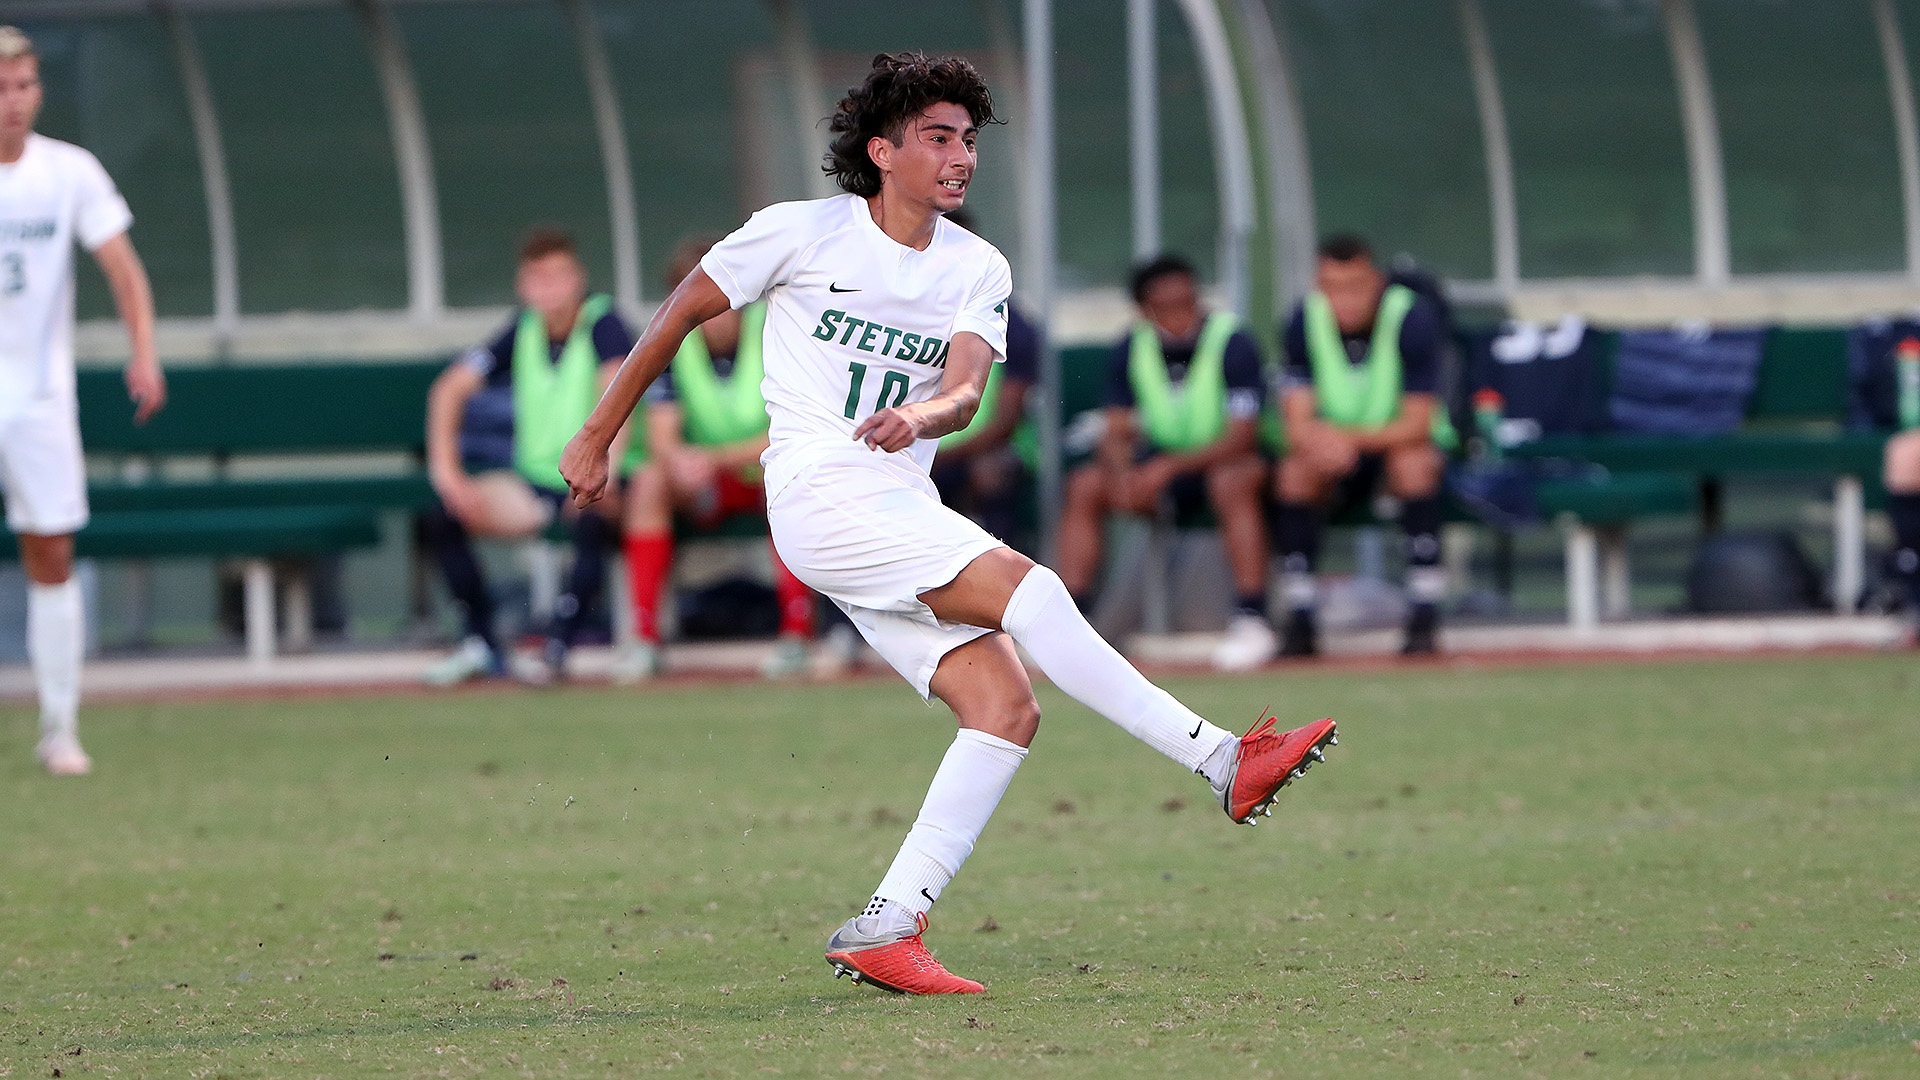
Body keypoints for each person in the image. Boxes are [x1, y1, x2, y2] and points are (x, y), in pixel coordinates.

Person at [559, 52, 1337, 996]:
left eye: (968, 140)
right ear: (883, 151)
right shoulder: (801, 233)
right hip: (816, 492)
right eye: (938, 138)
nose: (961, 156)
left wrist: (921, 417)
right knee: (1031, 589)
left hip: (896, 502)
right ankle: (1222, 759)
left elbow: (967, 389)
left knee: (1005, 710)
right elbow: (680, 311)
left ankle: (888, 924)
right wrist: (599, 434)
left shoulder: (978, 265)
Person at [0, 27, 165, 776]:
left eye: (24, 85)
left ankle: (59, 727)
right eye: (2, 88)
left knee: (52, 550)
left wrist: (144, 351)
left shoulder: (69, 172)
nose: (13, 102)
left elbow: (124, 269)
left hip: (37, 397)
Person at [421, 228, 632, 685]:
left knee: (594, 520)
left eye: (559, 275)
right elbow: (448, 389)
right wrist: (447, 473)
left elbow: (619, 389)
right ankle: (481, 642)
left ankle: (558, 647)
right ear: (523, 285)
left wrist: (603, 468)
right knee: (445, 515)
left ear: (579, 278)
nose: (549, 288)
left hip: (596, 477)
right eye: (538, 278)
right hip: (536, 481)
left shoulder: (604, 323)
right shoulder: (522, 328)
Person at [1055, 254, 1277, 671]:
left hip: (1220, 462)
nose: (1182, 315)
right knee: (1086, 484)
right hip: (1159, 470)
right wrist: (1122, 471)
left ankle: (1252, 616)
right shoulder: (1131, 345)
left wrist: (1170, 466)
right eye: (1167, 306)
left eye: (1189, 302)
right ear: (1144, 310)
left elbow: (1242, 435)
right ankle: (1075, 622)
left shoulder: (1233, 341)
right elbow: (1117, 428)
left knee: (1233, 483)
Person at [614, 236, 818, 683]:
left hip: (768, 472)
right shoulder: (671, 339)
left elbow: (791, 428)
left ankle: (797, 634)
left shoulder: (778, 329)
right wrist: (680, 461)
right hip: (709, 480)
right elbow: (663, 433)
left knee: (791, 479)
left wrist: (713, 459)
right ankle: (644, 639)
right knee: (649, 483)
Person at [1274, 234, 1449, 657]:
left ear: (1376, 281)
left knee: (1416, 464)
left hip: (1392, 448)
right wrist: (1321, 445)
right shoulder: (1303, 320)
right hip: (1332, 455)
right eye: (1332, 288)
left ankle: (1424, 613)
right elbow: (1296, 419)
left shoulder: (1411, 318)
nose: (1344, 299)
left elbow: (1418, 422)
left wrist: (1345, 439)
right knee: (1294, 473)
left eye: (1355, 286)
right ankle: (1300, 615)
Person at [929, 208, 1040, 550]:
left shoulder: (1011, 322)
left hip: (977, 448)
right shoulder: (892, 309)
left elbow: (1005, 421)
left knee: (991, 471)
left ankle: (1000, 581)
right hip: (915, 446)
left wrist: (933, 454)